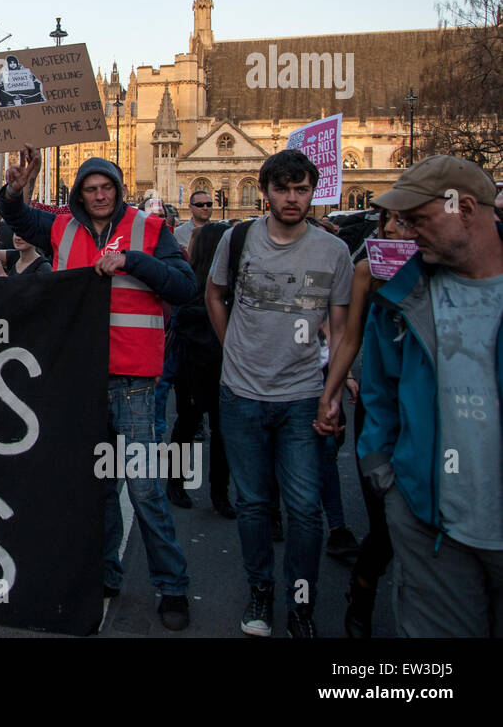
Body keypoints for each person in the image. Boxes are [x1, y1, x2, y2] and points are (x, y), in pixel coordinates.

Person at [1, 146, 196, 631]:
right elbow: (16, 217)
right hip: (80, 377)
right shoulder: (61, 226)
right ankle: (107, 574)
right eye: (90, 190)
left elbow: (184, 288)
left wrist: (131, 261)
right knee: (97, 489)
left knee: (145, 489)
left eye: (106, 187)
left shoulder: (151, 230)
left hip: (133, 381)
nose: (99, 195)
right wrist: (14, 189)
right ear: (79, 195)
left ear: (118, 189)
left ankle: (172, 586)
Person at [205, 149, 353, 638]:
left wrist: (332, 392)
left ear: (314, 191)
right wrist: (233, 349)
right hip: (242, 395)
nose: (293, 198)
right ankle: (260, 591)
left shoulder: (333, 252)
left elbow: (341, 328)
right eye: (283, 189)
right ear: (265, 191)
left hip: (301, 397)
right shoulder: (239, 237)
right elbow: (214, 293)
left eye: (302, 189)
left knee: (306, 509)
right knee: (253, 506)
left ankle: (301, 602)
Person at [353, 155, 503, 637]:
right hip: (430, 525)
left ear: (467, 209)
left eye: (419, 218)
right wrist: (385, 475)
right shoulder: (399, 297)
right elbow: (380, 394)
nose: (406, 231)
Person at [317, 206, 405, 636]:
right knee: (386, 522)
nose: (389, 229)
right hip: (382, 407)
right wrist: (333, 392)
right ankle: (363, 592)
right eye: (386, 219)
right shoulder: (369, 269)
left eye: (402, 221)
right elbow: (347, 336)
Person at [169, 221, 235, 518]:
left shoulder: (227, 283)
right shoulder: (192, 282)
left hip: (215, 365)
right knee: (189, 424)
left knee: (218, 430)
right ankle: (179, 484)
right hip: (197, 363)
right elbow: (181, 319)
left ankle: (217, 491)